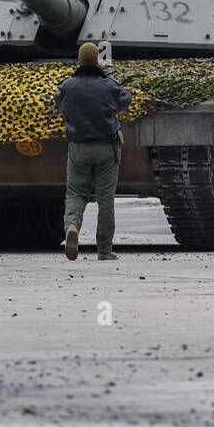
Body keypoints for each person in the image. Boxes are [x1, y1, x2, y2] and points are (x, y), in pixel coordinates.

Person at [53, 42, 132, 262]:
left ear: (79, 60)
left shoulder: (67, 85)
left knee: (76, 193)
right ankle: (104, 249)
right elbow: (125, 99)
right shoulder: (108, 85)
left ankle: (72, 227)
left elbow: (57, 101)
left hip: (78, 147)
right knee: (105, 198)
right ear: (96, 59)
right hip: (106, 148)